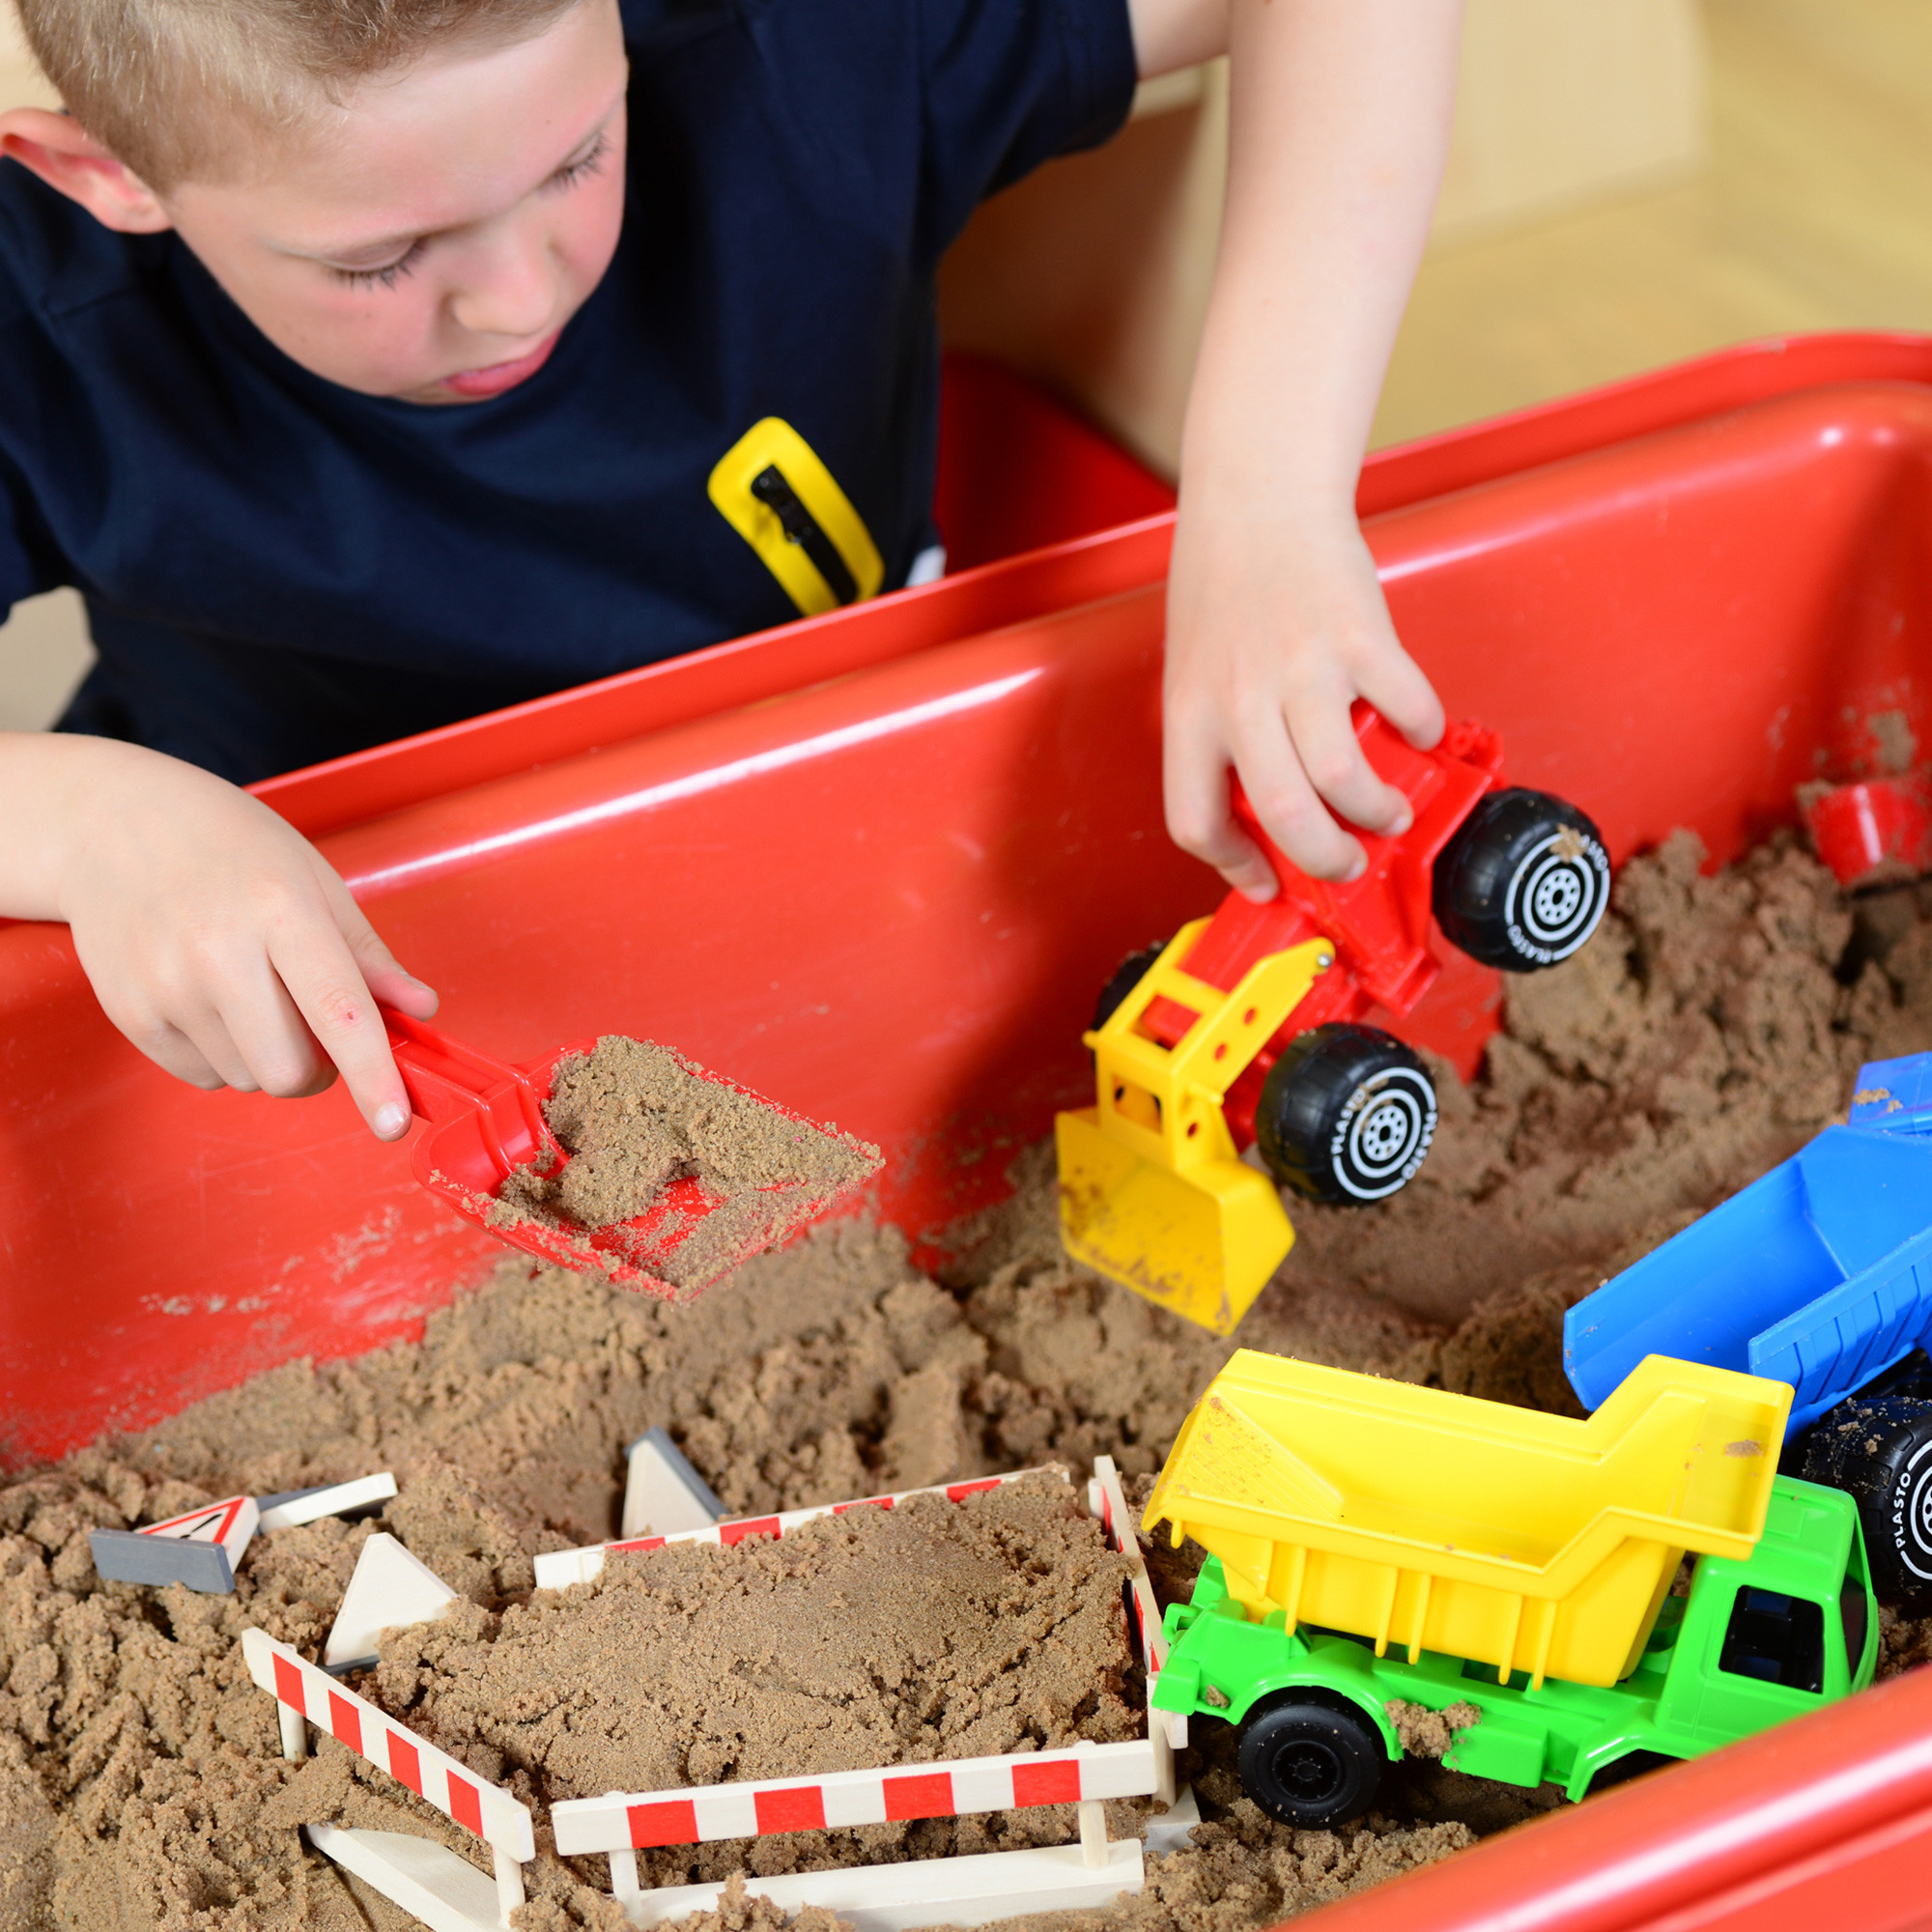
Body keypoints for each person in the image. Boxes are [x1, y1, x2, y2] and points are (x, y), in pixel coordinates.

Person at [0, 0, 1462, 1140]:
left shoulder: (785, 48)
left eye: (578, 156)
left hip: (879, 854)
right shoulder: (45, 320)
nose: (520, 292)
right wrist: (96, 831)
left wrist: (1267, 502)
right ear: (107, 176)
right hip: (342, 998)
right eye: (379, 260)